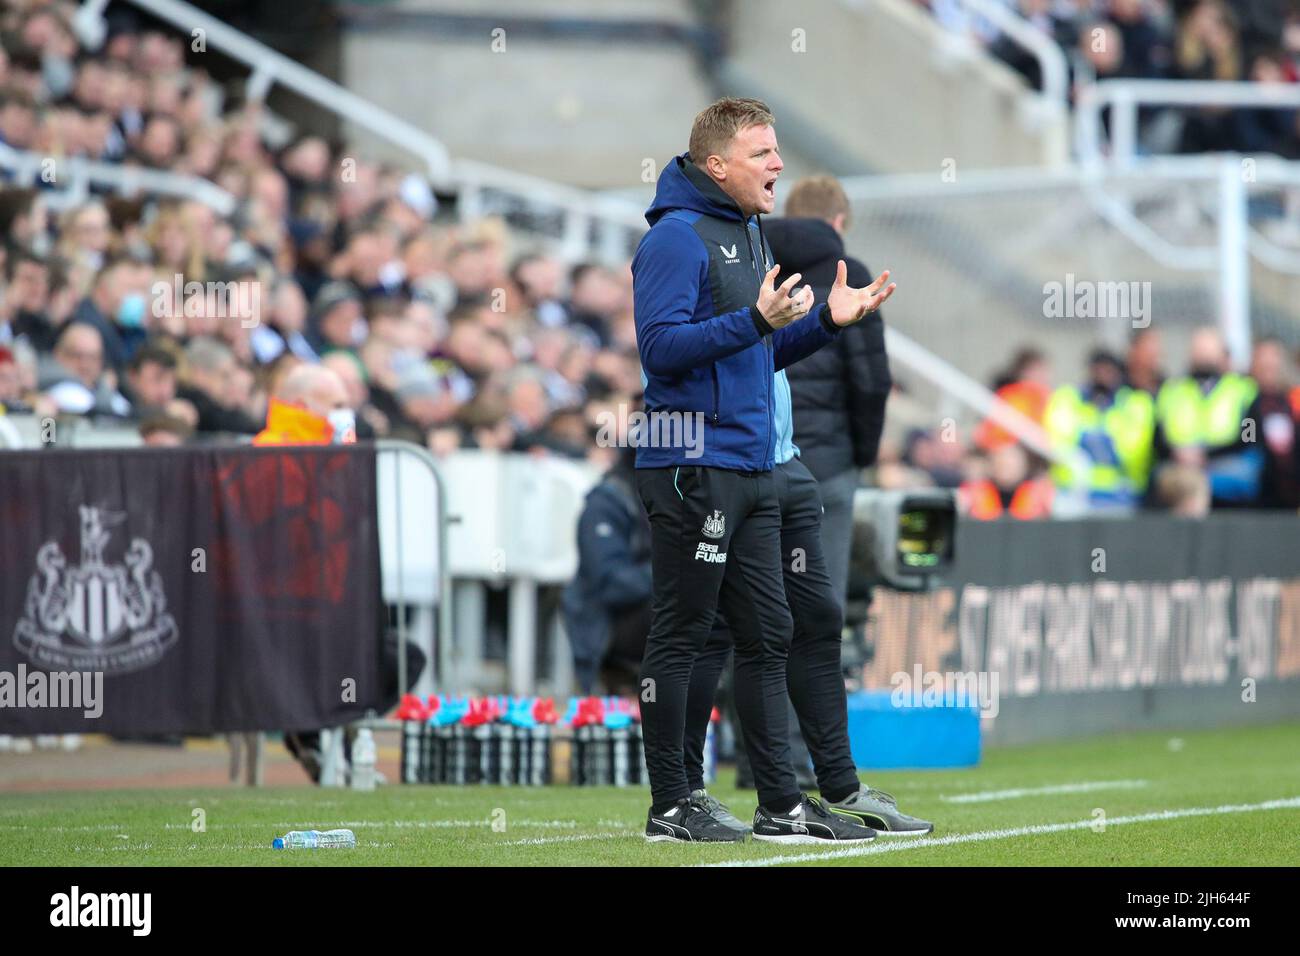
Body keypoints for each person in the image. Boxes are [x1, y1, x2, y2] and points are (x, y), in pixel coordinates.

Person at [633, 97, 894, 844]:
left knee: (771, 631)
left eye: (778, 151)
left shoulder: (747, 231)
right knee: (683, 635)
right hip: (692, 465)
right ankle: (671, 804)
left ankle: (780, 806)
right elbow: (660, 349)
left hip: (752, 467)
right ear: (717, 165)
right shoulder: (675, 241)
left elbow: (757, 350)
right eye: (762, 154)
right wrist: (754, 320)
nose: (780, 165)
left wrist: (823, 324)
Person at [561, 443, 652, 694]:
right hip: (609, 626)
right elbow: (612, 584)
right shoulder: (609, 500)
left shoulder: (677, 495)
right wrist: (675, 571)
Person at [1154, 327, 1259, 508]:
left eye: (1208, 352)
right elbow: (1158, 438)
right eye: (1199, 351)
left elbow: (1249, 437)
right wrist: (1180, 454)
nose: (1203, 357)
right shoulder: (1172, 390)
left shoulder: (1243, 390)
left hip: (1225, 462)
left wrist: (1205, 454)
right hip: (1180, 465)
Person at [1044, 349, 1155, 511]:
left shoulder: (1135, 403)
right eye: (1098, 370)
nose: (1103, 376)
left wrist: (1089, 440)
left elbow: (1133, 450)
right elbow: (1058, 443)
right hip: (1075, 492)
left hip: (1121, 493)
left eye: (1108, 370)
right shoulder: (1068, 398)